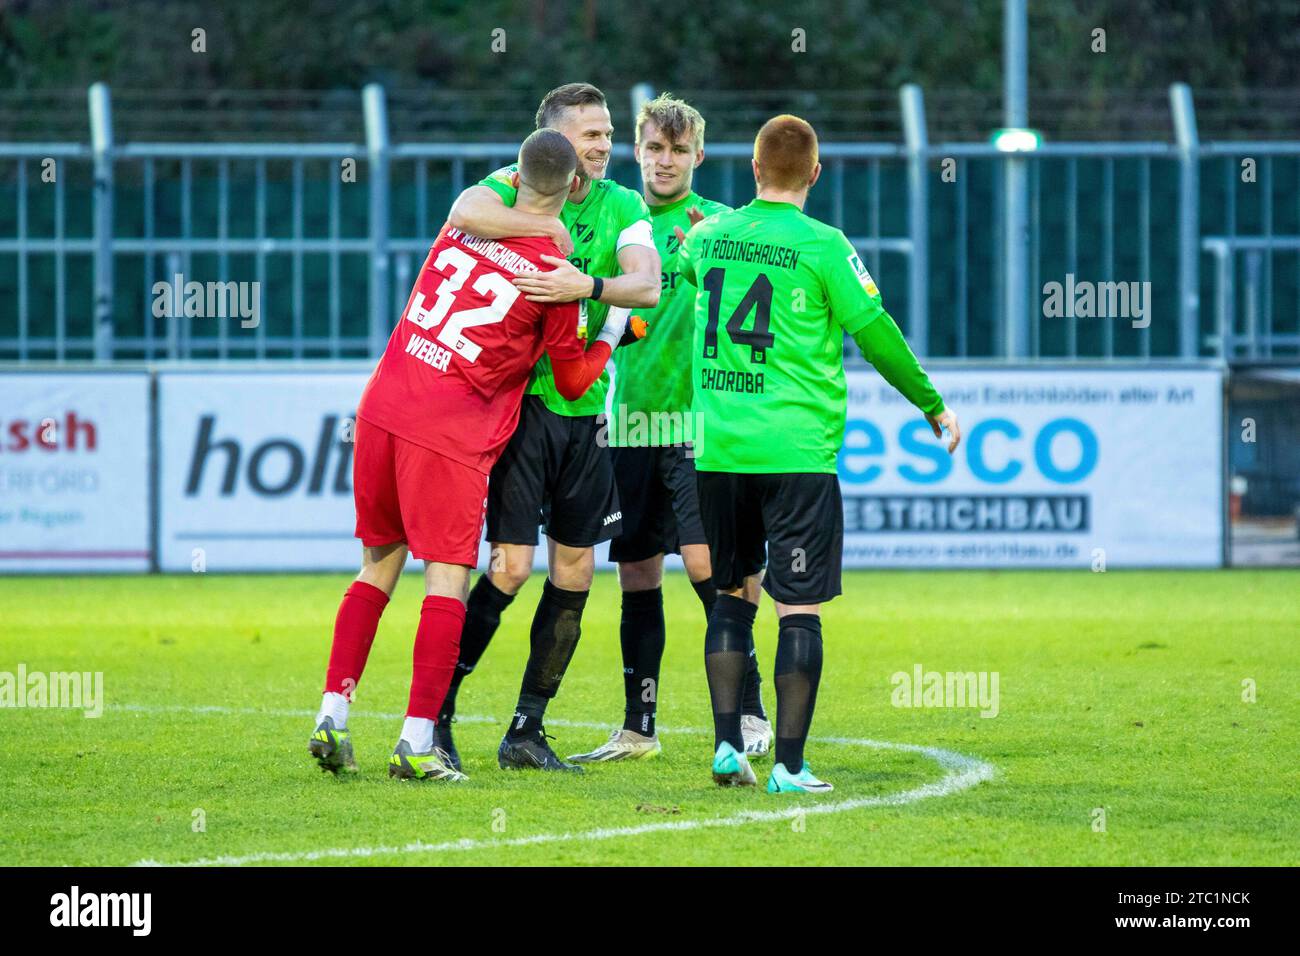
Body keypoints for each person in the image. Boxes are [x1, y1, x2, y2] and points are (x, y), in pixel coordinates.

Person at [307, 129, 620, 782]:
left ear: (516, 178)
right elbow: (570, 383)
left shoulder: (466, 223)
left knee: (377, 567)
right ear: (571, 189)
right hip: (449, 429)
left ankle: (333, 714)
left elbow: (470, 204)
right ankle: (418, 739)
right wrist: (612, 330)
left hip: (385, 403)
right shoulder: (555, 278)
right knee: (447, 577)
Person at [679, 115, 962, 793]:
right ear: (814, 173)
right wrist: (931, 403)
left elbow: (681, 267)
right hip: (796, 455)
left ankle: (726, 748)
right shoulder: (825, 246)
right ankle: (790, 765)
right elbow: (878, 335)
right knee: (797, 607)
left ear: (752, 170)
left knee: (730, 595)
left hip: (719, 452)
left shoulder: (711, 236)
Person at [435, 83, 661, 772]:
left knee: (577, 568)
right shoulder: (516, 186)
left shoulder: (623, 204)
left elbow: (646, 285)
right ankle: (433, 718)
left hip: (587, 416)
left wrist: (583, 288)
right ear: (557, 142)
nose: (604, 144)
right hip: (521, 407)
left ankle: (526, 731)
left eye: (607, 132)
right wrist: (543, 231)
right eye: (590, 134)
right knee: (509, 567)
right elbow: (461, 211)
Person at [567, 93, 772, 764]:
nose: (664, 159)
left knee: (710, 567)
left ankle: (749, 711)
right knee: (636, 575)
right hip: (625, 427)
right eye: (654, 147)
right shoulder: (620, 220)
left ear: (698, 157)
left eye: (678, 149)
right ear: (637, 149)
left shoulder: (720, 224)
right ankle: (638, 727)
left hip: (699, 428)